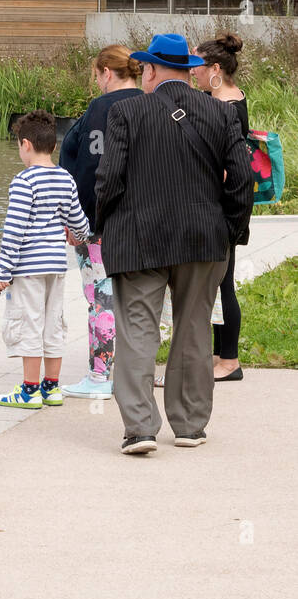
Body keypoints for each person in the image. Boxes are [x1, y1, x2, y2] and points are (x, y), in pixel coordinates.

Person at [93, 33, 253, 455]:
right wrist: (230, 230)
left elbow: (109, 180)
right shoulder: (222, 114)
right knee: (195, 329)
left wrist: (101, 224)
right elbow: (242, 180)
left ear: (150, 71)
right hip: (203, 238)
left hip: (139, 238)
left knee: (138, 331)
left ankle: (140, 429)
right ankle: (189, 425)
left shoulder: (127, 113)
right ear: (186, 70)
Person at [56, 45, 143, 398]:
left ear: (107, 72)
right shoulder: (149, 102)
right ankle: (134, 370)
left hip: (100, 225)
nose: (97, 81)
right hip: (142, 222)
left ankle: (99, 375)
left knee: (100, 299)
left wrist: (79, 222)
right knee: (136, 298)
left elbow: (90, 167)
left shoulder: (100, 109)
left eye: (96, 74)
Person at [0, 111, 91, 409]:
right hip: (56, 266)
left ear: (25, 144)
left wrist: (3, 271)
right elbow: (79, 222)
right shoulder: (66, 178)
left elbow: (14, 230)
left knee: (29, 325)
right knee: (54, 323)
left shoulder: (23, 181)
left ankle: (29, 390)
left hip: (29, 267)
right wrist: (78, 236)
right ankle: (52, 387)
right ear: (53, 144)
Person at [191, 33, 250, 383]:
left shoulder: (226, 108)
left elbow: (227, 165)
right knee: (217, 281)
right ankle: (218, 354)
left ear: (215, 68)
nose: (194, 72)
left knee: (223, 282)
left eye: (198, 66)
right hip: (223, 203)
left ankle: (230, 360)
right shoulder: (225, 98)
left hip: (224, 205)